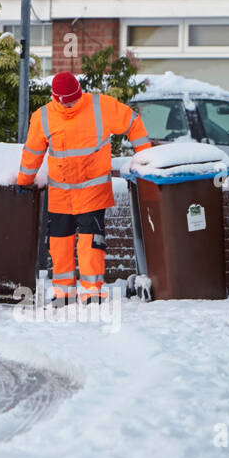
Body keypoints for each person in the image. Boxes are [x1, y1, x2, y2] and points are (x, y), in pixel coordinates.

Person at [16, 71, 152, 305]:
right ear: (55, 97)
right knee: (60, 244)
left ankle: (92, 292)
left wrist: (146, 157)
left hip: (93, 192)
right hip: (61, 194)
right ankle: (64, 293)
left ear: (80, 93)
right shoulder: (44, 117)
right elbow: (33, 152)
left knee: (90, 244)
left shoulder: (100, 106)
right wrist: (24, 180)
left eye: (74, 99)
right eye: (66, 101)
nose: (71, 104)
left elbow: (132, 122)